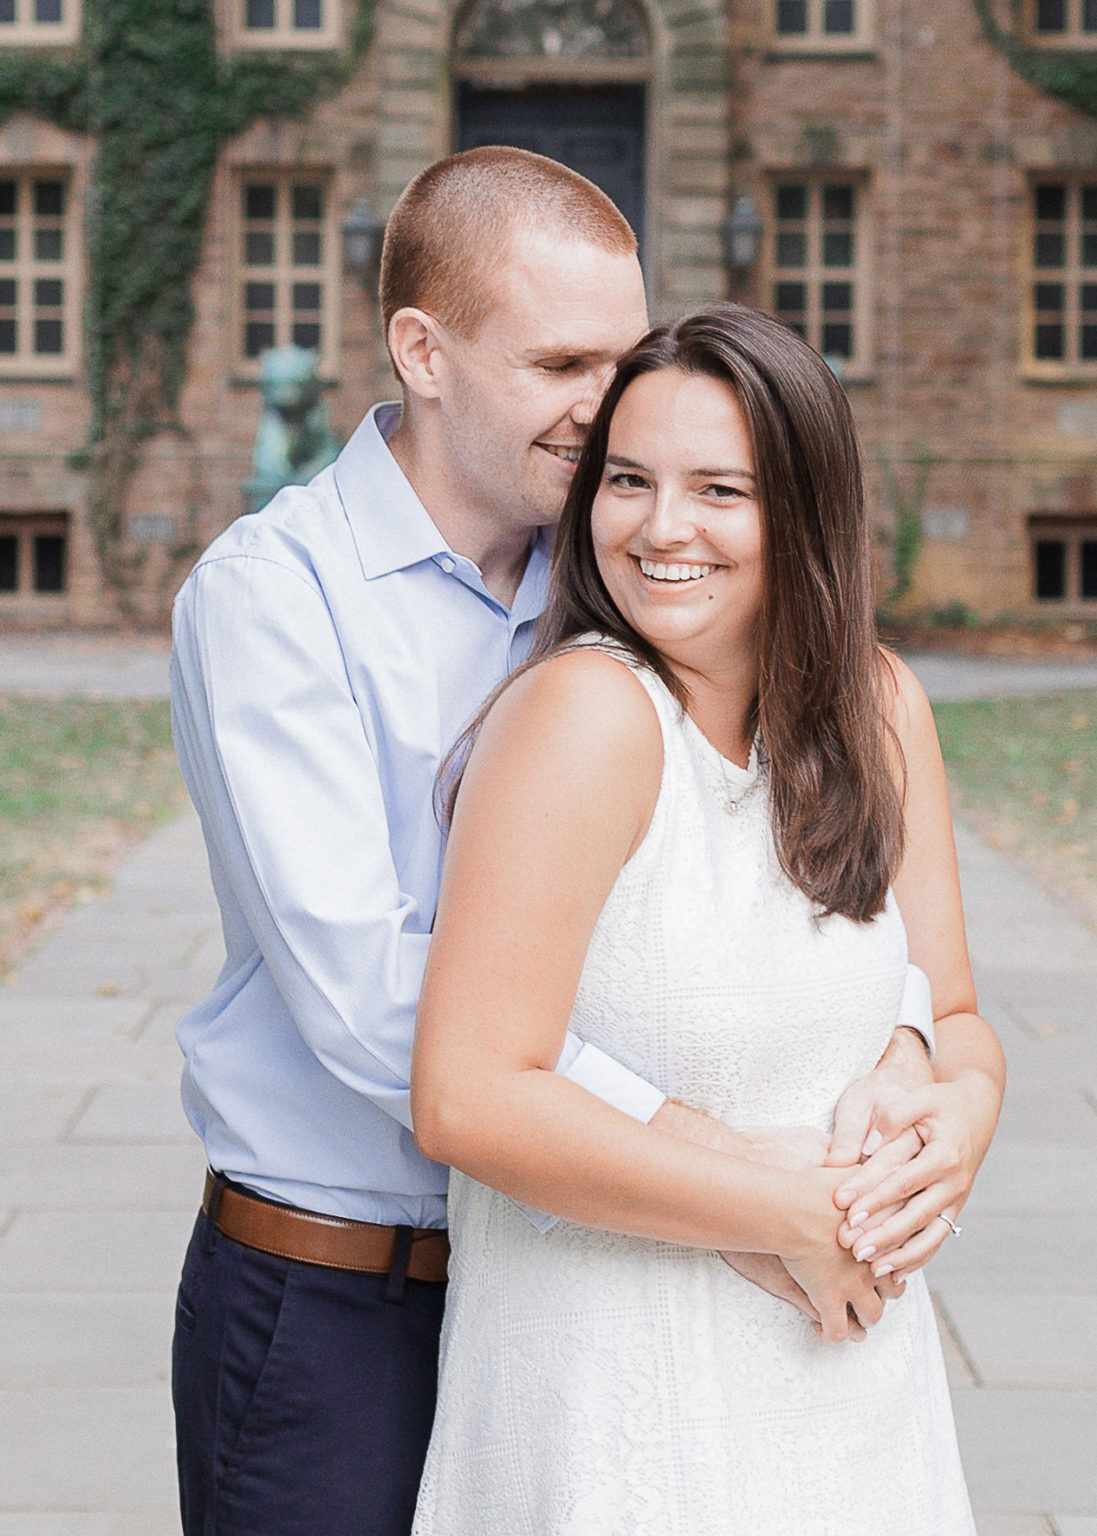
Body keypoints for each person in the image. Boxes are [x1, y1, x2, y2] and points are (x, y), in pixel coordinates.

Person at [170, 149, 986, 1536]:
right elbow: (375, 1007)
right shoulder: (274, 600)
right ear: (422, 352)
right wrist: (744, 1187)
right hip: (345, 1293)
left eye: (620, 358)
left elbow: (771, 885)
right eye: (561, 365)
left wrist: (917, 1051)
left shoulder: (619, 556)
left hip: (623, 1282)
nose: (607, 410)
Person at [409, 305, 1005, 1534]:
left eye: (717, 489)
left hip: (852, 1404)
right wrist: (784, 1214)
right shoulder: (586, 715)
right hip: (622, 1414)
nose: (658, 527)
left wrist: (959, 1121)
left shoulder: (881, 708)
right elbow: (467, 1093)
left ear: (803, 507)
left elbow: (950, 1011)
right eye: (626, 480)